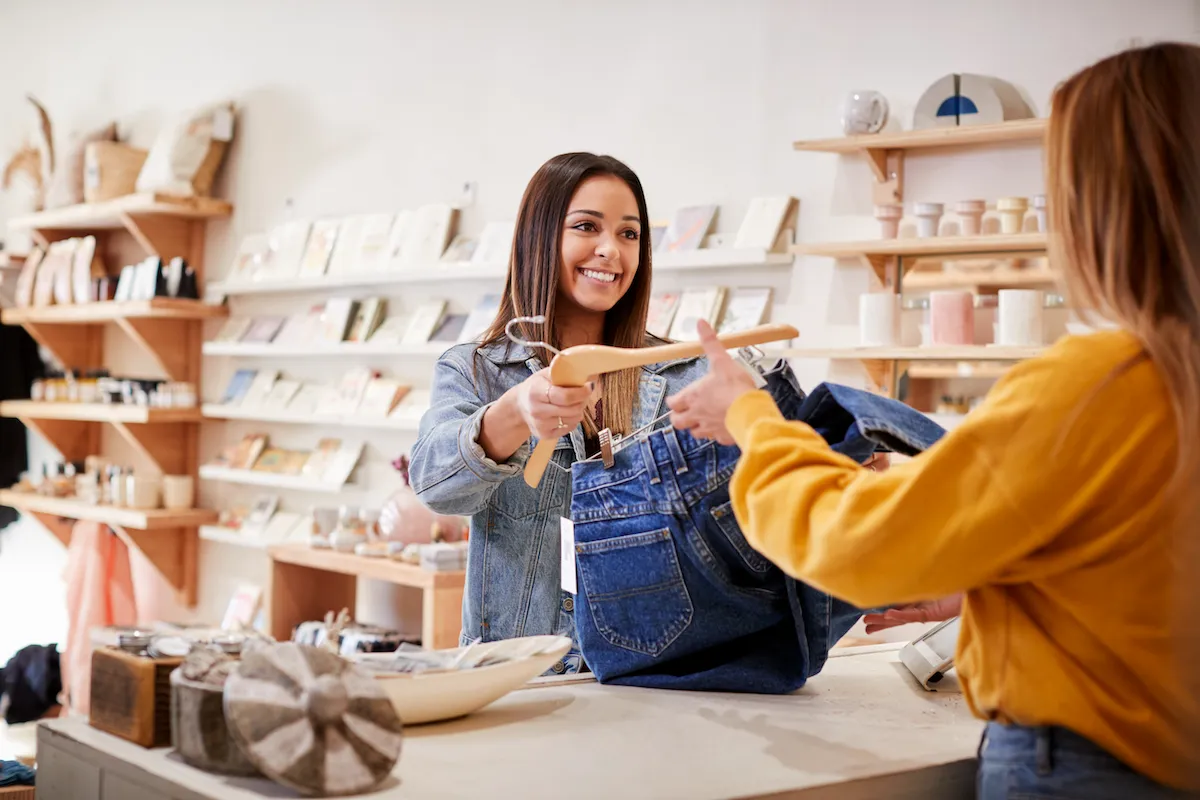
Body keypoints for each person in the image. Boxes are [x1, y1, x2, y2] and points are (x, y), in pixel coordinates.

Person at [667, 43, 1200, 798]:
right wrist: (1004, 586)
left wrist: (752, 418)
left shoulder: (1098, 386)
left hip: (1085, 769)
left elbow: (856, 541)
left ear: (1096, 205)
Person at [409, 153, 706, 670]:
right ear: (539, 237)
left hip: (650, 674)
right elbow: (436, 485)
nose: (611, 250)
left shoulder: (683, 374)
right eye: (586, 227)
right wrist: (513, 413)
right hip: (517, 676)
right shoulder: (477, 369)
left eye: (629, 234)